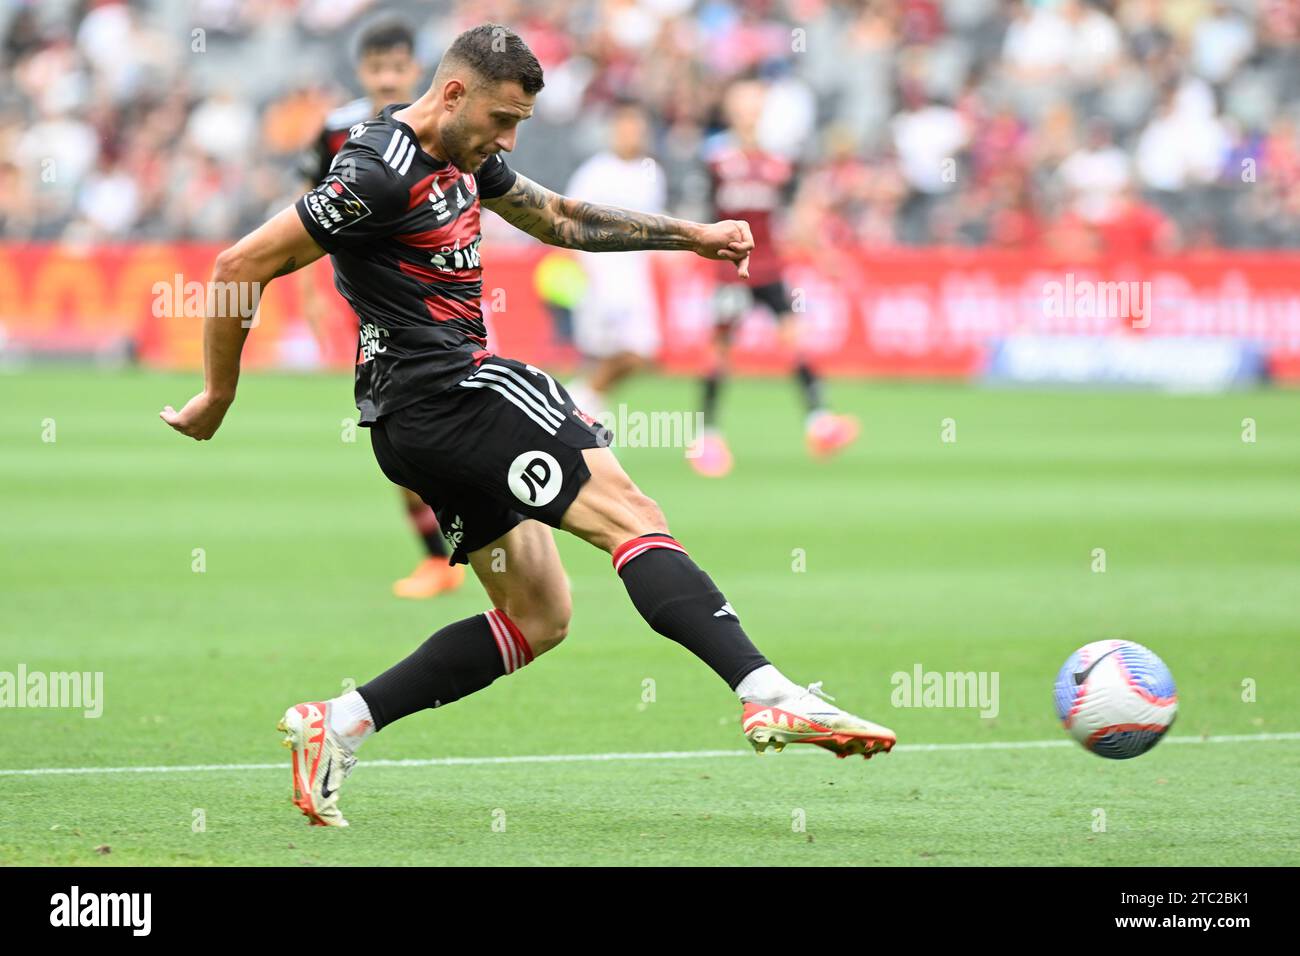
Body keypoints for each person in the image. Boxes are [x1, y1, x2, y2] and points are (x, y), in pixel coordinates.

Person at [160, 24, 895, 828]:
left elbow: (562, 219)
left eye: (520, 125)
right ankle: (767, 693)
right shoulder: (377, 169)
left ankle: (337, 724)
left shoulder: (463, 156)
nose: (508, 140)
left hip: (411, 425)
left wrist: (692, 236)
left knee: (539, 617)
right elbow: (239, 264)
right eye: (502, 120)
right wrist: (217, 396)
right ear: (452, 94)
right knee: (634, 518)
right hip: (454, 392)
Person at [297, 17, 463, 599]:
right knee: (396, 427)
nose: (389, 77)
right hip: (366, 299)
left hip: (432, 298)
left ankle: (478, 543)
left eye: (398, 67)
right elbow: (310, 213)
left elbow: (466, 203)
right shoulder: (337, 130)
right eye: (378, 68)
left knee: (432, 424)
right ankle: (441, 558)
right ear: (363, 70)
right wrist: (311, 293)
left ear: (414, 69)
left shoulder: (443, 128)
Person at [689, 80, 860, 478]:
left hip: (769, 268)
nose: (750, 113)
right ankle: (707, 437)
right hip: (730, 271)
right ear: (732, 111)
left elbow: (796, 217)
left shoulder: (777, 163)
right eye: (743, 106)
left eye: (756, 106)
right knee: (719, 349)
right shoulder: (716, 161)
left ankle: (820, 424)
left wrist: (823, 255)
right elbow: (698, 215)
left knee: (794, 337)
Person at [562, 100, 665, 422]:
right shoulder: (595, 172)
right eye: (624, 127)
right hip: (601, 278)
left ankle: (578, 404)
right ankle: (582, 410)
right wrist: (585, 271)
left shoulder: (652, 173)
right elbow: (566, 221)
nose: (630, 134)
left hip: (635, 278)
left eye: (636, 127)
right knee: (620, 353)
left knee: (640, 354)